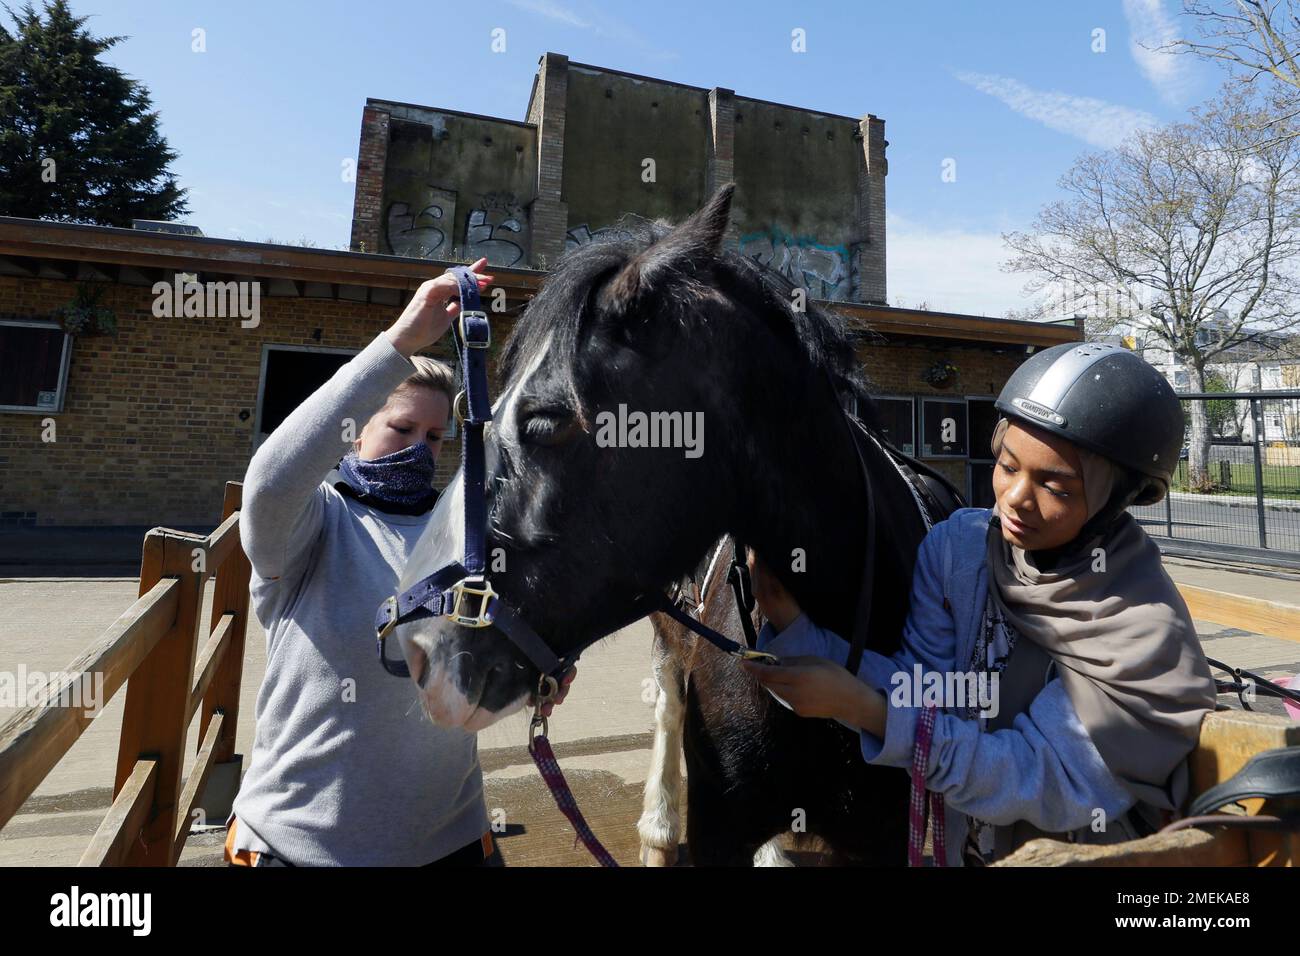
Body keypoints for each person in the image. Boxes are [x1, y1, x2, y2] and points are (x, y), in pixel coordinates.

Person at [742, 342, 1217, 865]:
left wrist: (862, 708)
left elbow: (1033, 776)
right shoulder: (960, 551)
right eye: (1007, 465)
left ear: (1116, 499)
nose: (1014, 497)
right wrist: (792, 625)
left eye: (1054, 486)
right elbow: (925, 688)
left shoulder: (1142, 633)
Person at [224, 258, 573, 867]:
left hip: (452, 839)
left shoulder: (465, 534)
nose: (420, 447)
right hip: (303, 845)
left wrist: (533, 680)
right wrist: (400, 343)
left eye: (435, 437)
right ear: (355, 433)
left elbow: (482, 663)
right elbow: (269, 487)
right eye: (402, 427)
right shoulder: (315, 525)